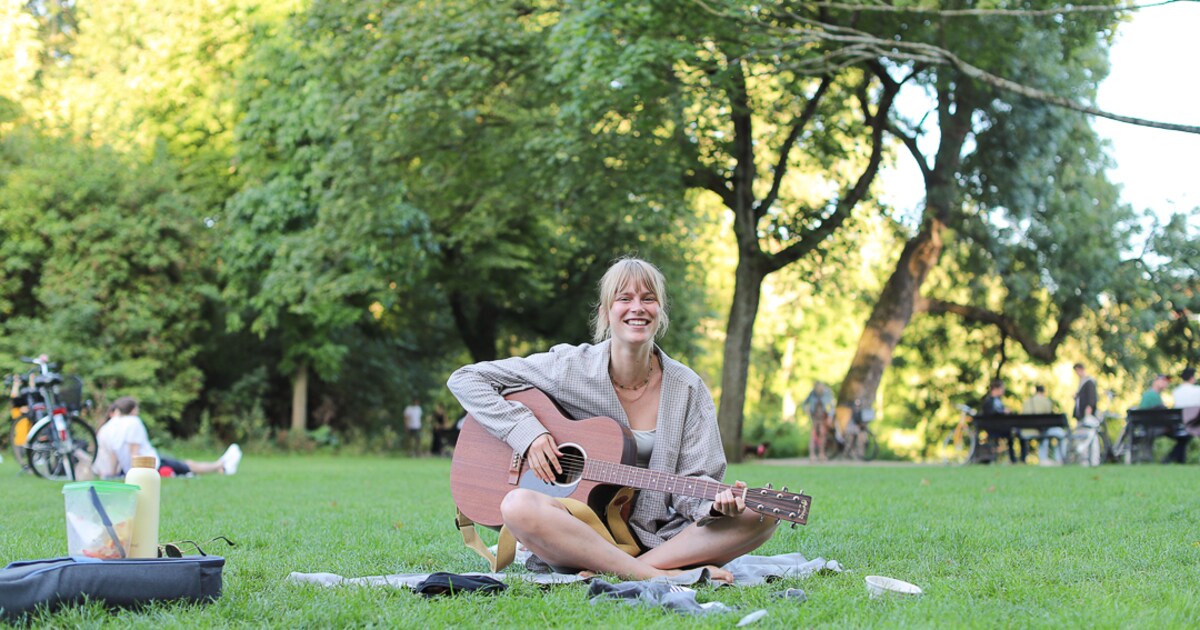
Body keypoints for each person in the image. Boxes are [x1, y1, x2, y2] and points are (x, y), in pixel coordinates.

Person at [447, 257, 775, 583]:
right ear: (606, 312)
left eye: (649, 299)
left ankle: (635, 570)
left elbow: (695, 480)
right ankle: (654, 575)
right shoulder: (570, 367)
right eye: (624, 298)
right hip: (576, 529)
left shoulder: (687, 387)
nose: (638, 307)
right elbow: (466, 378)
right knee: (517, 506)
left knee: (762, 513)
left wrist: (715, 507)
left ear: (660, 311)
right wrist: (527, 434)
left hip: (663, 534)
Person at [92, 397, 241, 478]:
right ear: (132, 410)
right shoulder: (133, 422)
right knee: (188, 465)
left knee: (185, 467)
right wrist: (136, 476)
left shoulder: (107, 427)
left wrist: (111, 475)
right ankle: (221, 465)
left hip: (136, 469)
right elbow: (134, 454)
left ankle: (220, 467)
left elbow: (113, 455)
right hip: (150, 466)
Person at [979, 379, 1024, 463]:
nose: (1003, 391)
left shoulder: (997, 401)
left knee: (1018, 433)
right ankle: (1015, 459)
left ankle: (1016, 459)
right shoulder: (989, 401)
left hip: (1001, 427)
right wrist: (1003, 412)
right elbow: (991, 414)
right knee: (1015, 433)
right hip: (994, 428)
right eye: (1002, 388)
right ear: (995, 389)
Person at [1164, 367, 1198, 463]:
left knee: (1183, 440)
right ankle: (1170, 459)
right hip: (1194, 424)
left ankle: (1172, 459)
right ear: (1192, 378)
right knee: (1185, 437)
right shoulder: (1197, 391)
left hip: (1179, 425)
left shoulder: (1176, 392)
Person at [1022, 385, 1062, 464]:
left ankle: (1043, 459)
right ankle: (1058, 459)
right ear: (1043, 392)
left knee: (1045, 433)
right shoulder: (1046, 401)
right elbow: (1048, 418)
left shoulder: (1027, 402)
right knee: (1060, 434)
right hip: (1040, 431)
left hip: (1025, 431)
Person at [802, 382, 835, 462]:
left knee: (822, 435)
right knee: (813, 436)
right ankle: (812, 455)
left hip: (823, 417)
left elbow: (831, 406)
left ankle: (821, 454)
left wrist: (830, 416)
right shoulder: (812, 394)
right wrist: (806, 409)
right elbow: (804, 404)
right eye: (817, 390)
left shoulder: (827, 394)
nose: (819, 391)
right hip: (814, 417)